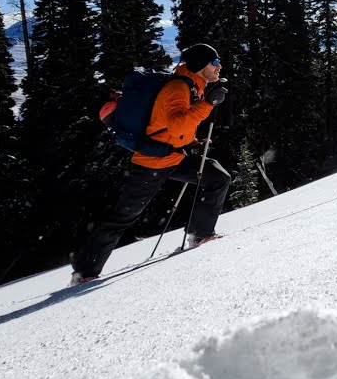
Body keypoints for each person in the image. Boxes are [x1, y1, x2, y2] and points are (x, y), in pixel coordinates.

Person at [70, 42, 231, 284]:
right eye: (215, 62)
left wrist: (192, 140)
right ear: (200, 66)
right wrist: (207, 105)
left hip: (174, 156)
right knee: (122, 217)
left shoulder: (193, 86)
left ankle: (201, 235)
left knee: (217, 177)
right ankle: (85, 273)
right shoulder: (178, 88)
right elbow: (177, 124)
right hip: (152, 163)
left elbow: (171, 127)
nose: (219, 67)